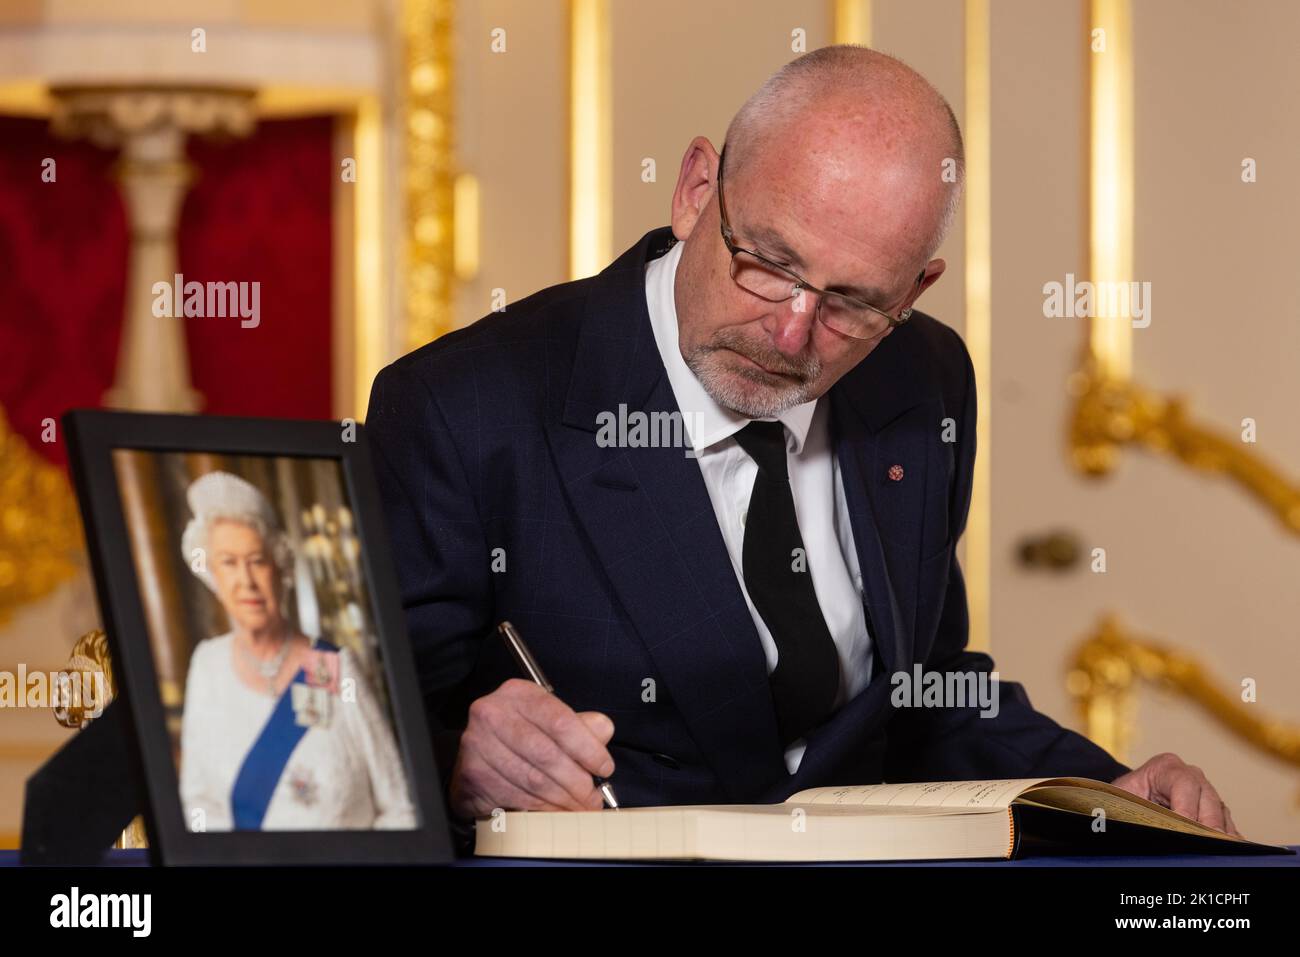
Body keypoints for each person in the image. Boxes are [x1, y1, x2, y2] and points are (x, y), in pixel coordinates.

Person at [366, 45, 1238, 848]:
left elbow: (923, 693)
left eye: (853, 302)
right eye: (769, 264)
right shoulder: (463, 406)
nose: (790, 333)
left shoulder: (924, 378)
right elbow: (362, 735)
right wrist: (458, 759)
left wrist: (1112, 787)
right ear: (696, 190)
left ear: (916, 288)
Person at [177, 470, 416, 830]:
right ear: (212, 575)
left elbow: (401, 810)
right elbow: (197, 804)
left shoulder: (335, 668)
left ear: (280, 568)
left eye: (257, 560)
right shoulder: (207, 666)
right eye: (228, 562)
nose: (246, 580)